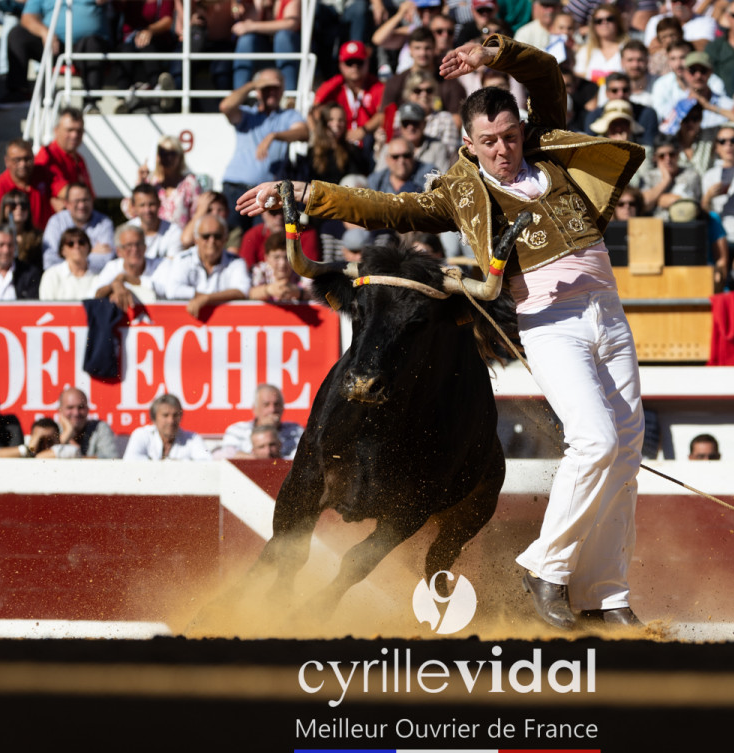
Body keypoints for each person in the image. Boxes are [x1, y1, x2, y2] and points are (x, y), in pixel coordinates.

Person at [238, 34, 647, 629]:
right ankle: (545, 569)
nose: (504, 150)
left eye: (509, 136)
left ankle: (605, 592)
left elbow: (548, 76)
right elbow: (388, 208)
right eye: (490, 143)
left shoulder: (548, 150)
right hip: (551, 324)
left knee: (626, 454)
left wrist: (492, 54)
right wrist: (306, 195)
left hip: (608, 314)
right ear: (467, 144)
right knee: (597, 442)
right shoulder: (462, 194)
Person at [219, 68, 308, 234]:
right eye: (266, 88)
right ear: (258, 92)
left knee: (263, 241)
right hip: (235, 189)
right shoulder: (247, 115)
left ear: (282, 90)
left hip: (267, 192)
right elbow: (226, 106)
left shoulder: (288, 116)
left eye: (276, 87)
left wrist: (274, 135)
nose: (272, 92)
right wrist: (253, 84)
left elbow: (304, 133)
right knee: (232, 240)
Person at [154, 214, 250, 318]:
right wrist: (208, 298)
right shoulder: (182, 259)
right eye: (206, 236)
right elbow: (173, 290)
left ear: (225, 239)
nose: (211, 241)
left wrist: (207, 298)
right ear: (196, 239)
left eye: (217, 236)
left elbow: (242, 291)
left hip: (226, 324)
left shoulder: (236, 262)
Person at [219, 383, 306, 458]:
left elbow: (304, 459)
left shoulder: (296, 431)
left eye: (277, 404)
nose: (272, 409)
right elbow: (224, 456)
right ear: (255, 409)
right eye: (266, 405)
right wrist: (257, 459)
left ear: (283, 407)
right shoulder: (237, 430)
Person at [133, 135, 202, 228]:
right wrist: (140, 183)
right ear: (157, 156)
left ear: (180, 156)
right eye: (163, 153)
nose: (167, 157)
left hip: (181, 240)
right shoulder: (151, 182)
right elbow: (131, 212)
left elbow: (197, 217)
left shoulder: (189, 183)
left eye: (172, 153)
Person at [42, 182, 115, 271]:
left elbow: (107, 260)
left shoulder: (104, 222)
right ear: (67, 204)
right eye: (77, 201)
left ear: (92, 200)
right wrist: (90, 252)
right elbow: (49, 262)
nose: (81, 205)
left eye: (85, 200)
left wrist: (70, 255)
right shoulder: (56, 222)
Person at [0, 139, 53, 230]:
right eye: (17, 160)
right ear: (7, 161)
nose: (23, 164)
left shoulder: (42, 173)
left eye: (27, 159)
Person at [34, 108, 94, 212]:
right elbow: (67, 194)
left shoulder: (79, 159)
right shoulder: (47, 155)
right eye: (69, 130)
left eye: (79, 131)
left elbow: (90, 196)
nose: (75, 135)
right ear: (56, 130)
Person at [92, 224, 163, 308]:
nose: (134, 249)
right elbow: (94, 296)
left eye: (138, 244)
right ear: (118, 251)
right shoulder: (112, 267)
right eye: (129, 245)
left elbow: (166, 291)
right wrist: (113, 286)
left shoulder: (160, 264)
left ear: (145, 247)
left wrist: (124, 278)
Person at [123, 394, 211, 461]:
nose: (171, 421)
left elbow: (207, 463)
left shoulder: (192, 438)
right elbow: (130, 462)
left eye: (175, 415)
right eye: (165, 415)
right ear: (154, 418)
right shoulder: (141, 434)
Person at [247, 231, 312, 302]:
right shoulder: (259, 270)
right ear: (267, 258)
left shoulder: (302, 272)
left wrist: (298, 292)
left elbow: (318, 295)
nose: (282, 263)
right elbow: (248, 293)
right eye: (276, 257)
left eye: (287, 257)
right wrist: (269, 290)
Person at [55, 387, 118, 458]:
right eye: (70, 407)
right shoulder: (52, 430)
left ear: (88, 409)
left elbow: (111, 459)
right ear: (59, 410)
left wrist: (77, 456)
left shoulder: (99, 428)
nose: (76, 413)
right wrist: (67, 433)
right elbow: (43, 457)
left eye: (81, 407)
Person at [39, 227, 98, 301]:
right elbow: (46, 308)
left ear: (89, 247)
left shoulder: (98, 276)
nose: (76, 246)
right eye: (70, 244)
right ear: (63, 250)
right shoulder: (51, 275)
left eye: (81, 242)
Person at [128, 183, 182, 260]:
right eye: (142, 205)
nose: (147, 210)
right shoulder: (127, 232)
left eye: (151, 204)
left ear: (159, 203)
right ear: (133, 207)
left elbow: (174, 265)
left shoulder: (173, 231)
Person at [0, 189, 44, 272]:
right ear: (4, 209)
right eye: (13, 205)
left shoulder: (38, 238)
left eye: (24, 205)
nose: (19, 208)